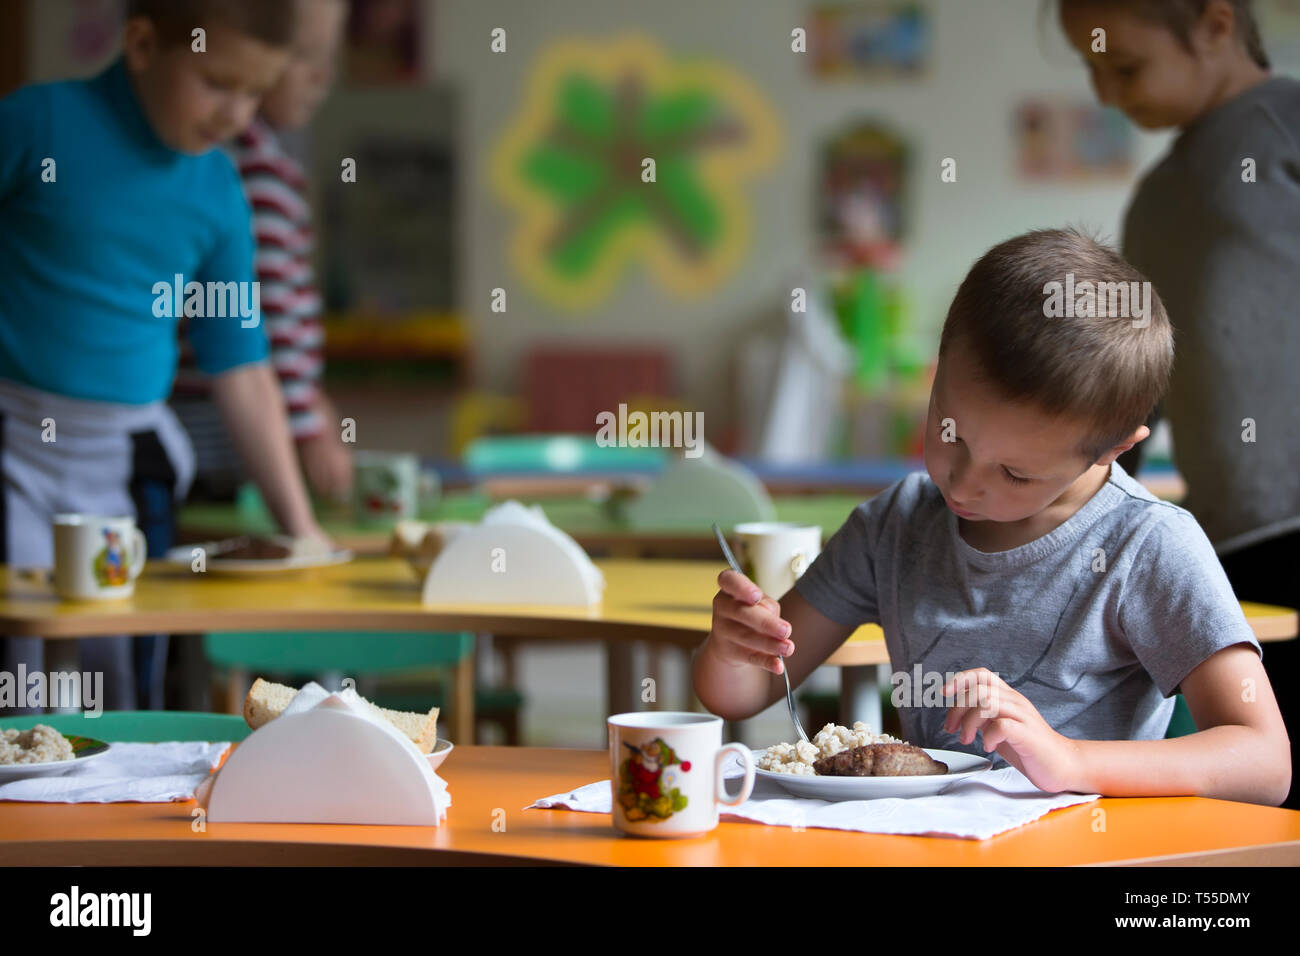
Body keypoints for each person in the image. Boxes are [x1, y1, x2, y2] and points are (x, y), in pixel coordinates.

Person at [694, 229, 1291, 807]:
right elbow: (742, 694)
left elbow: (1265, 762)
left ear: (1112, 448)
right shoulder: (895, 526)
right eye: (948, 432)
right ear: (938, 369)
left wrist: (1071, 760)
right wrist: (732, 650)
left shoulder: (1148, 545)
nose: (962, 481)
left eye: (1015, 474)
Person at [0, 0, 327, 716]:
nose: (237, 114)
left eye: (254, 91)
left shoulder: (218, 191)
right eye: (218, 82)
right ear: (144, 45)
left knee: (118, 683)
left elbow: (240, 365)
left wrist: (301, 530)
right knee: (17, 671)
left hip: (128, 466)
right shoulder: (36, 124)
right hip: (13, 448)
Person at [1060, 0, 1300, 807]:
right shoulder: (1158, 195)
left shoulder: (1288, 126)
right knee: (1269, 791)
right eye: (1091, 68)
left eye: (1122, 66)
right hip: (1236, 538)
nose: (1104, 93)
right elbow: (1134, 370)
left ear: (1215, 24)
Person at [172, 0, 353, 504]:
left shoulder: (265, 164)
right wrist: (306, 425)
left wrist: (310, 399)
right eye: (302, 55)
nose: (322, 76)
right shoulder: (253, 172)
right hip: (224, 442)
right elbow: (267, 313)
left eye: (329, 57)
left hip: (233, 434)